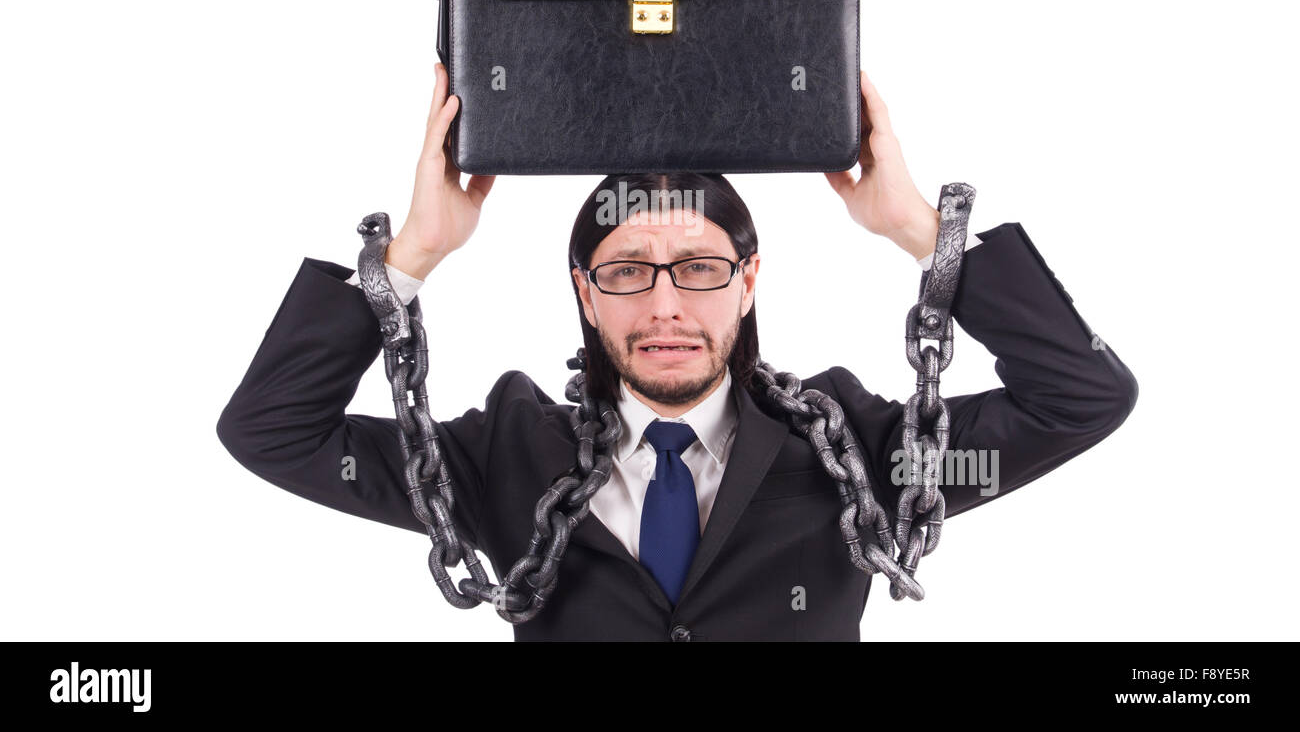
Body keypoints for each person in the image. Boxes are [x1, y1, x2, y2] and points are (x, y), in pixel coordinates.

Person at [216, 64, 1138, 641]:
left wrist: (919, 230)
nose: (664, 306)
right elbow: (271, 430)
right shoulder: (504, 453)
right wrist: (412, 254)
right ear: (583, 289)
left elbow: (1081, 396)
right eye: (626, 272)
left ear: (748, 280)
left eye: (698, 268)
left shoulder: (852, 446)